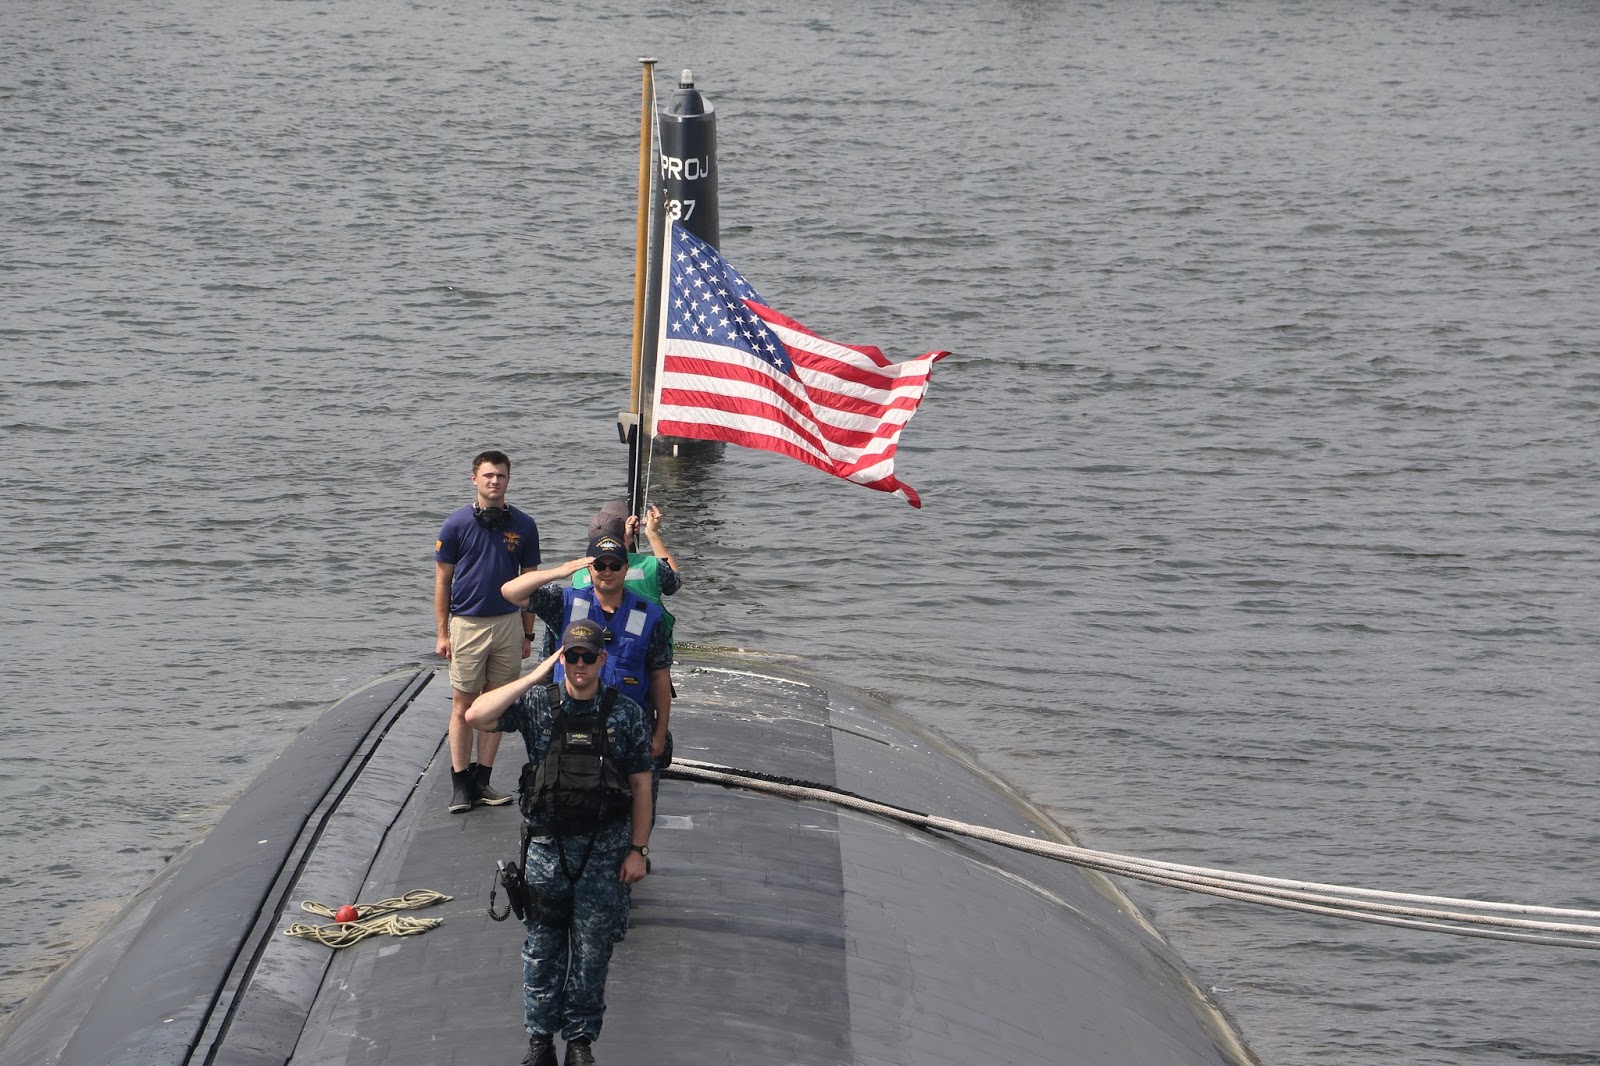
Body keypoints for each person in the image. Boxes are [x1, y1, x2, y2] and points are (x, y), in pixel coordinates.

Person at [465, 618, 653, 1066]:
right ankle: (540, 1042)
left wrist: (638, 850)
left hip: (603, 852)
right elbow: (475, 715)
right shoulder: (536, 704)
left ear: (602, 659)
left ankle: (580, 1043)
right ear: (562, 658)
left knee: (592, 953)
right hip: (548, 852)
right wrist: (531, 675)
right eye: (572, 656)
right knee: (542, 951)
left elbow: (642, 784)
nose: (581, 664)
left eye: (589, 656)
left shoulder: (624, 714)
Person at [503, 536, 673, 792]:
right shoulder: (565, 603)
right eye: (600, 565)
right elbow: (511, 592)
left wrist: (659, 734)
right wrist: (560, 572)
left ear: (626, 569)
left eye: (615, 566)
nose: (607, 572)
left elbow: (660, 677)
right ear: (589, 568)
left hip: (627, 728)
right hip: (572, 725)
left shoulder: (650, 616)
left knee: (636, 806)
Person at [434, 450, 541, 813]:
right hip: (467, 624)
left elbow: (531, 582)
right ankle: (461, 783)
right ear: (474, 479)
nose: (494, 482)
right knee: (464, 703)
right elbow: (442, 582)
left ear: (509, 480)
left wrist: (528, 634)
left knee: (496, 703)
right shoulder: (455, 525)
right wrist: (442, 632)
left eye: (501, 476)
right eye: (488, 476)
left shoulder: (524, 525)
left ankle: (484, 779)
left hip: (509, 624)